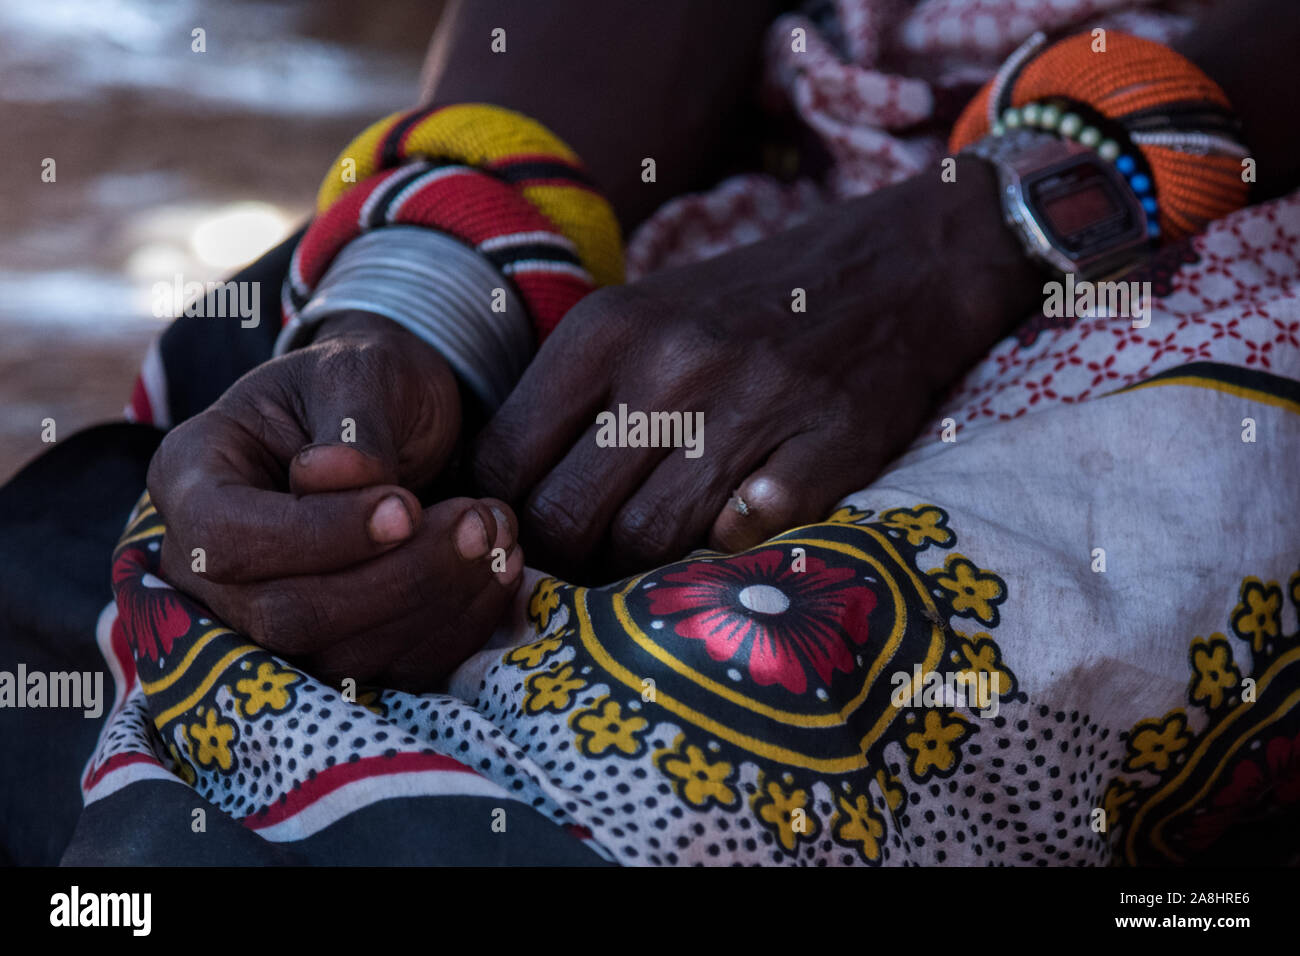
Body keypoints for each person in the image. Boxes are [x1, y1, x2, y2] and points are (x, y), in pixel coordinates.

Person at [6, 0, 1300, 867]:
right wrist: (434, 294)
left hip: (1220, 211)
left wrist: (976, 234)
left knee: (678, 728)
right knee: (191, 545)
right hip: (761, 182)